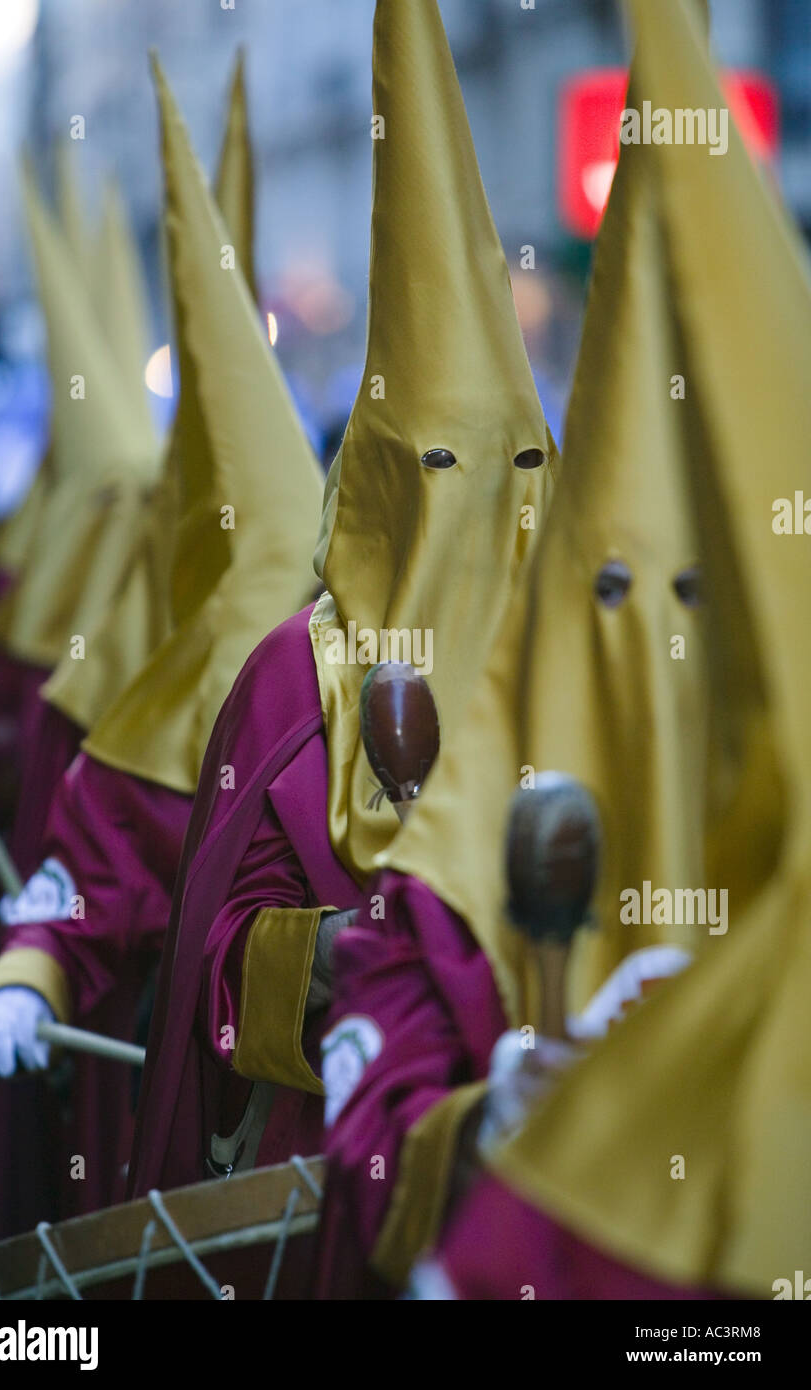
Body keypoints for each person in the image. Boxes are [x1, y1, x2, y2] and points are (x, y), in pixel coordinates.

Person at [315, 0, 784, 1298]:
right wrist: (498, 1114)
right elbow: (366, 1086)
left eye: (712, 590)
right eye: (621, 585)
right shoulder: (461, 835)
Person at [127, 0, 557, 1203]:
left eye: (518, 464)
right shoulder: (288, 677)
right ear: (371, 479)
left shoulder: (591, 658)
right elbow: (213, 946)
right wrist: (344, 957)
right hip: (331, 1168)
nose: (479, 504)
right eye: (437, 469)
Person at [0, 54, 324, 1231]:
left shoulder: (394, 687)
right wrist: (27, 967)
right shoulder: (140, 686)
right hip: (167, 1103)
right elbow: (87, 880)